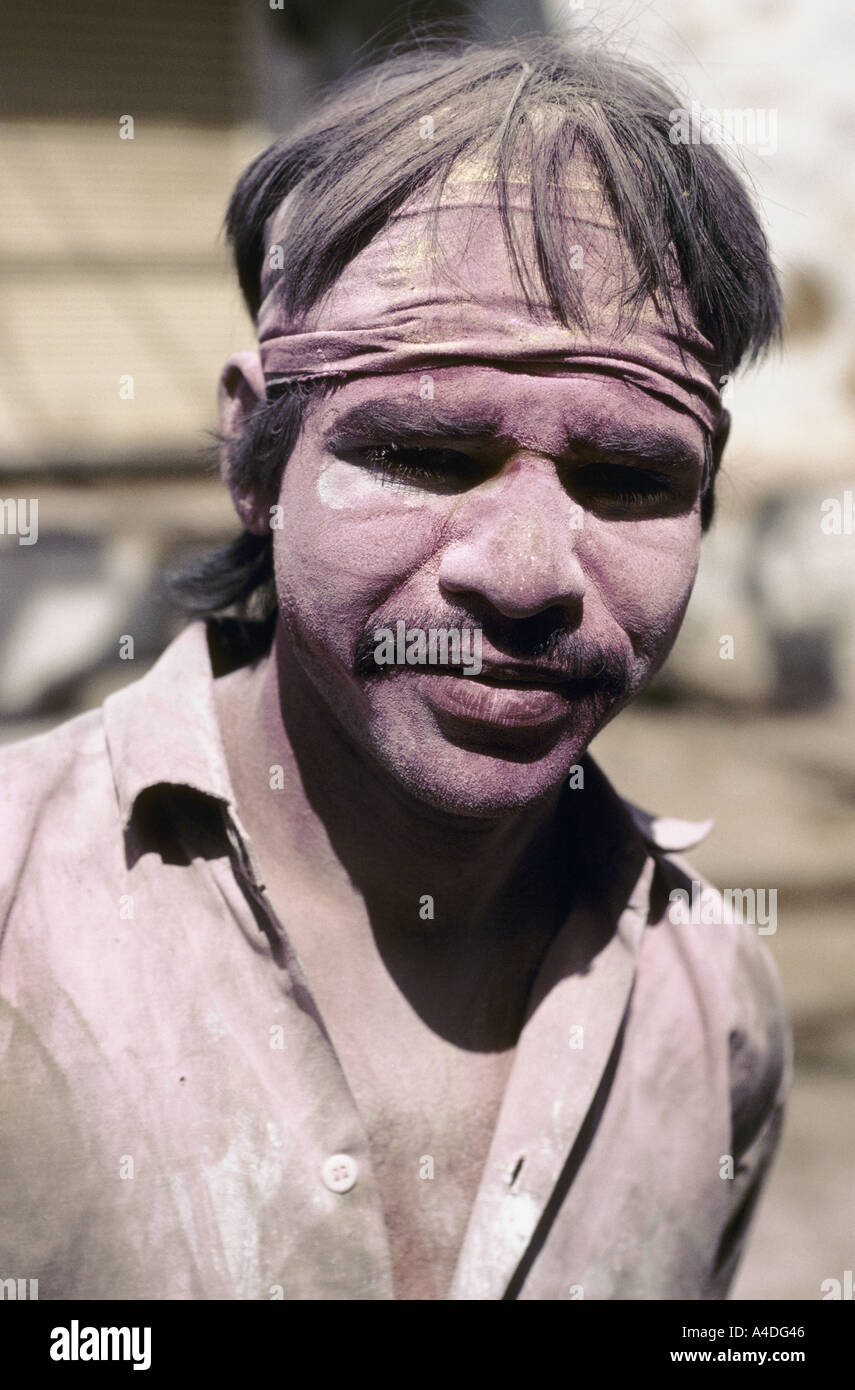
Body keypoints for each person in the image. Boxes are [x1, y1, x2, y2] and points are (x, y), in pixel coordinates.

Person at [0, 35, 790, 1301]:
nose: (529, 571)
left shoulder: (714, 1001)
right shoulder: (16, 907)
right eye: (428, 452)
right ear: (255, 456)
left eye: (629, 478)